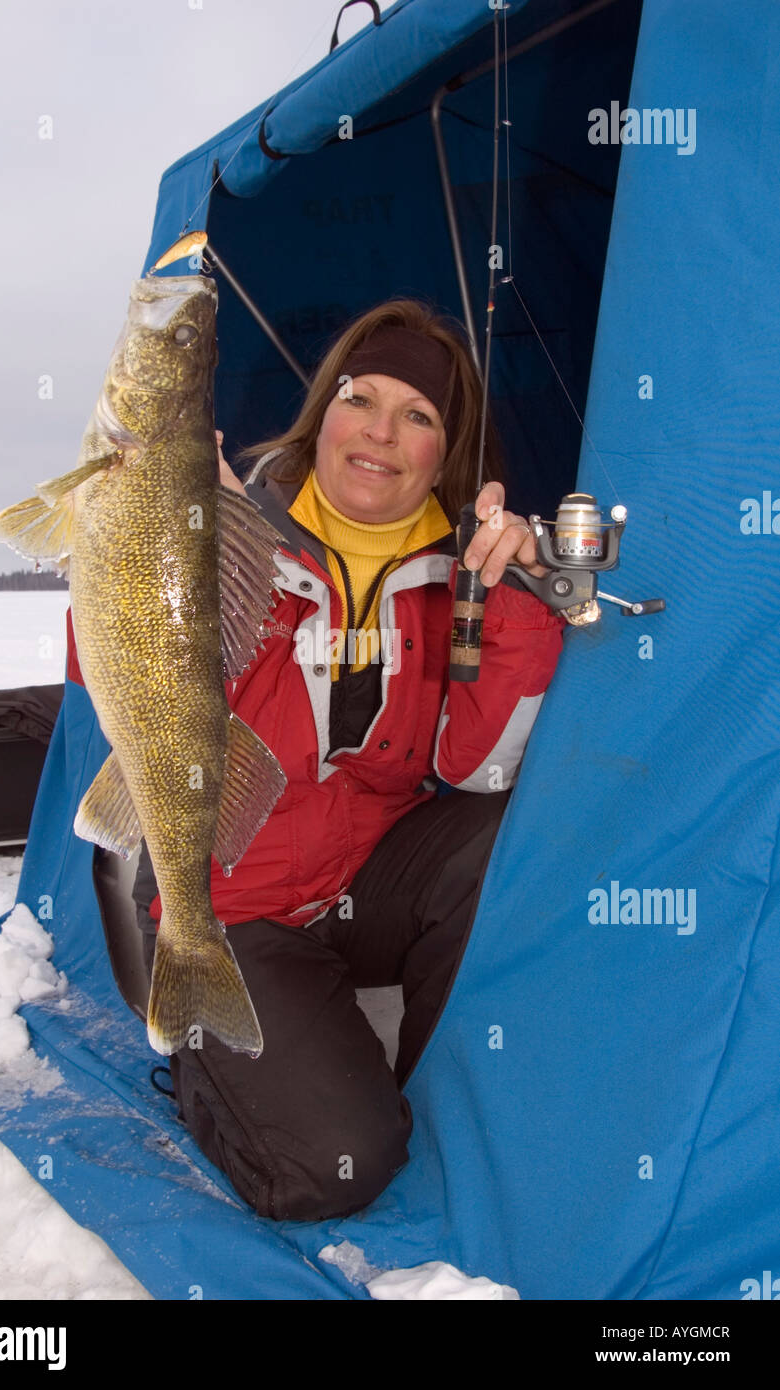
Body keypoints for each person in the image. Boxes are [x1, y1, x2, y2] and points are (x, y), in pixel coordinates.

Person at [132, 297, 565, 1222]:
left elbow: (478, 770)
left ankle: (440, 1079)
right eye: (358, 398)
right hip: (231, 899)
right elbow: (121, 679)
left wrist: (515, 596)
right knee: (331, 1167)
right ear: (319, 412)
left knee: (497, 840)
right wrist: (162, 542)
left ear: (445, 455)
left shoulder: (454, 577)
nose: (379, 432)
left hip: (360, 878)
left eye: (418, 416)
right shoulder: (231, 528)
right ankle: (217, 1067)